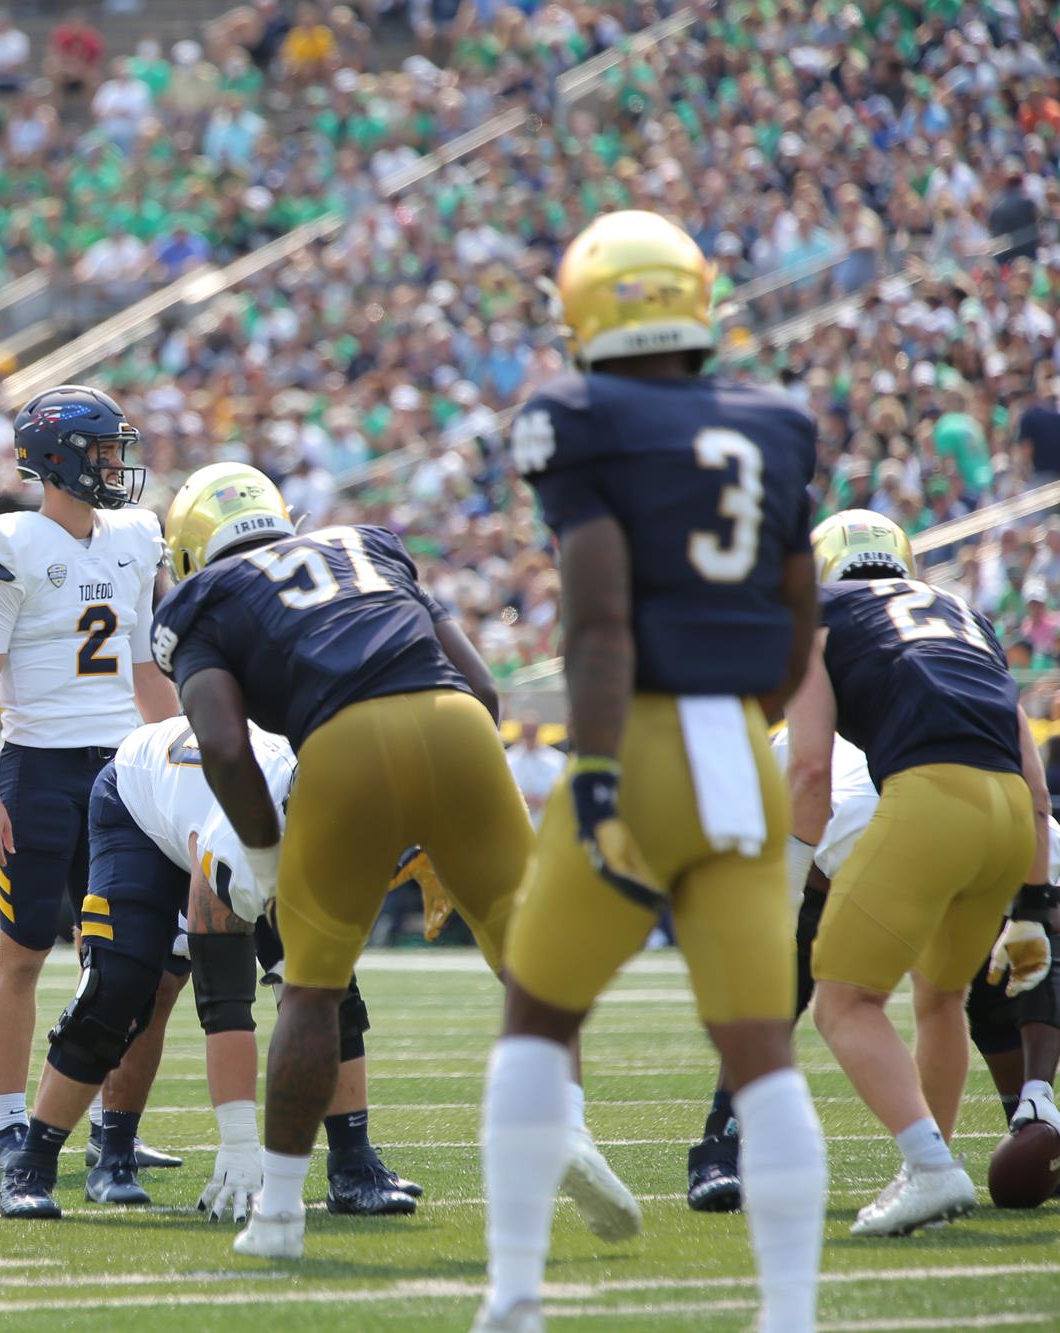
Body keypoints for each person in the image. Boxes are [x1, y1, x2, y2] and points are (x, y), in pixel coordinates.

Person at [151, 462, 636, 1261]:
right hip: (459, 726)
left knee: (311, 988)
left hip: (345, 740)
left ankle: (276, 1212)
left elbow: (225, 746)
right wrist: (445, 819)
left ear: (192, 549)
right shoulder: (366, 546)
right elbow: (482, 686)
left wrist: (266, 853)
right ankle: (567, 1125)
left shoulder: (198, 599)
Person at [479, 211, 825, 1332]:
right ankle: (785, 1313)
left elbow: (596, 612)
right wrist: (748, 715)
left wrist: (591, 770)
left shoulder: (576, 416)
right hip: (740, 751)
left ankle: (517, 1295)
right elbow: (795, 613)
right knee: (759, 1050)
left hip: (633, 743)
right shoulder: (775, 422)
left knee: (535, 1016)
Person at [0, 713, 417, 1220]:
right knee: (118, 989)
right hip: (139, 800)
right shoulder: (242, 843)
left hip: (215, 801)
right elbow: (225, 1006)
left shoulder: (341, 805)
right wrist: (239, 1142)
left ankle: (353, 1163)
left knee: (331, 992)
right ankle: (32, 1165)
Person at [786, 509, 1052, 1235]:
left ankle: (930, 1165)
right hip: (1006, 813)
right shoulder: (965, 614)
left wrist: (781, 890)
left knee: (842, 1002)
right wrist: (1031, 902)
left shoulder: (817, 612)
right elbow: (1030, 770)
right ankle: (927, 1165)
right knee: (939, 996)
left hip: (932, 798)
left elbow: (809, 770)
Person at [686, 727, 1060, 1213]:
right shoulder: (847, 787)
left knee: (986, 980)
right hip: (834, 837)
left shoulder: (1028, 835)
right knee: (804, 986)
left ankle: (1016, 1121)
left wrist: (1039, 1092)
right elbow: (808, 790)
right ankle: (724, 1133)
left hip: (927, 809)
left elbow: (1043, 961)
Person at [0, 384, 184, 1184]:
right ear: (58, 459)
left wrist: (175, 756)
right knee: (22, 954)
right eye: (98, 451)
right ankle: (10, 1124)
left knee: (126, 957)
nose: (114, 465)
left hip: (122, 772)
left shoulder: (133, 536)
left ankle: (104, 1126)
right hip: (40, 768)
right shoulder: (9, 543)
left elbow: (146, 665)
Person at [504, 713, 565, 820]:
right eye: (527, 733)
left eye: (531, 732)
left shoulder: (556, 759)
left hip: (545, 817)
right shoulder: (509, 759)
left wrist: (545, 800)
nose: (529, 736)